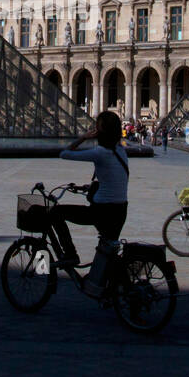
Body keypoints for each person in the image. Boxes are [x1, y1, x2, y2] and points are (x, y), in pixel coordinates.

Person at [51, 112, 130, 292]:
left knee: (56, 212)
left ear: (99, 133)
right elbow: (112, 178)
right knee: (109, 249)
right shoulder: (121, 151)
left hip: (103, 211)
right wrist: (92, 187)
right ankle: (122, 290)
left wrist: (84, 137)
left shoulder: (100, 152)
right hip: (121, 210)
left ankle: (70, 254)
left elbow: (64, 153)